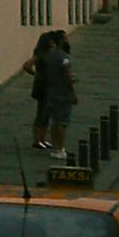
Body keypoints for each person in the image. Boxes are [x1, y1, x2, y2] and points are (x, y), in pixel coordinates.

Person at [40, 30, 77, 163]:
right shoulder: (64, 58)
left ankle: (56, 148)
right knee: (62, 121)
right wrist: (72, 92)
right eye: (66, 38)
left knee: (55, 121)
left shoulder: (50, 56)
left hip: (52, 91)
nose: (68, 39)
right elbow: (67, 76)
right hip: (63, 93)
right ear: (61, 41)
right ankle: (60, 149)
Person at [20, 29, 56, 148]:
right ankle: (38, 139)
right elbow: (27, 65)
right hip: (42, 85)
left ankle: (43, 138)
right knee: (42, 112)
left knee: (47, 113)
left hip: (49, 84)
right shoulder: (40, 54)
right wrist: (36, 74)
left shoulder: (49, 53)